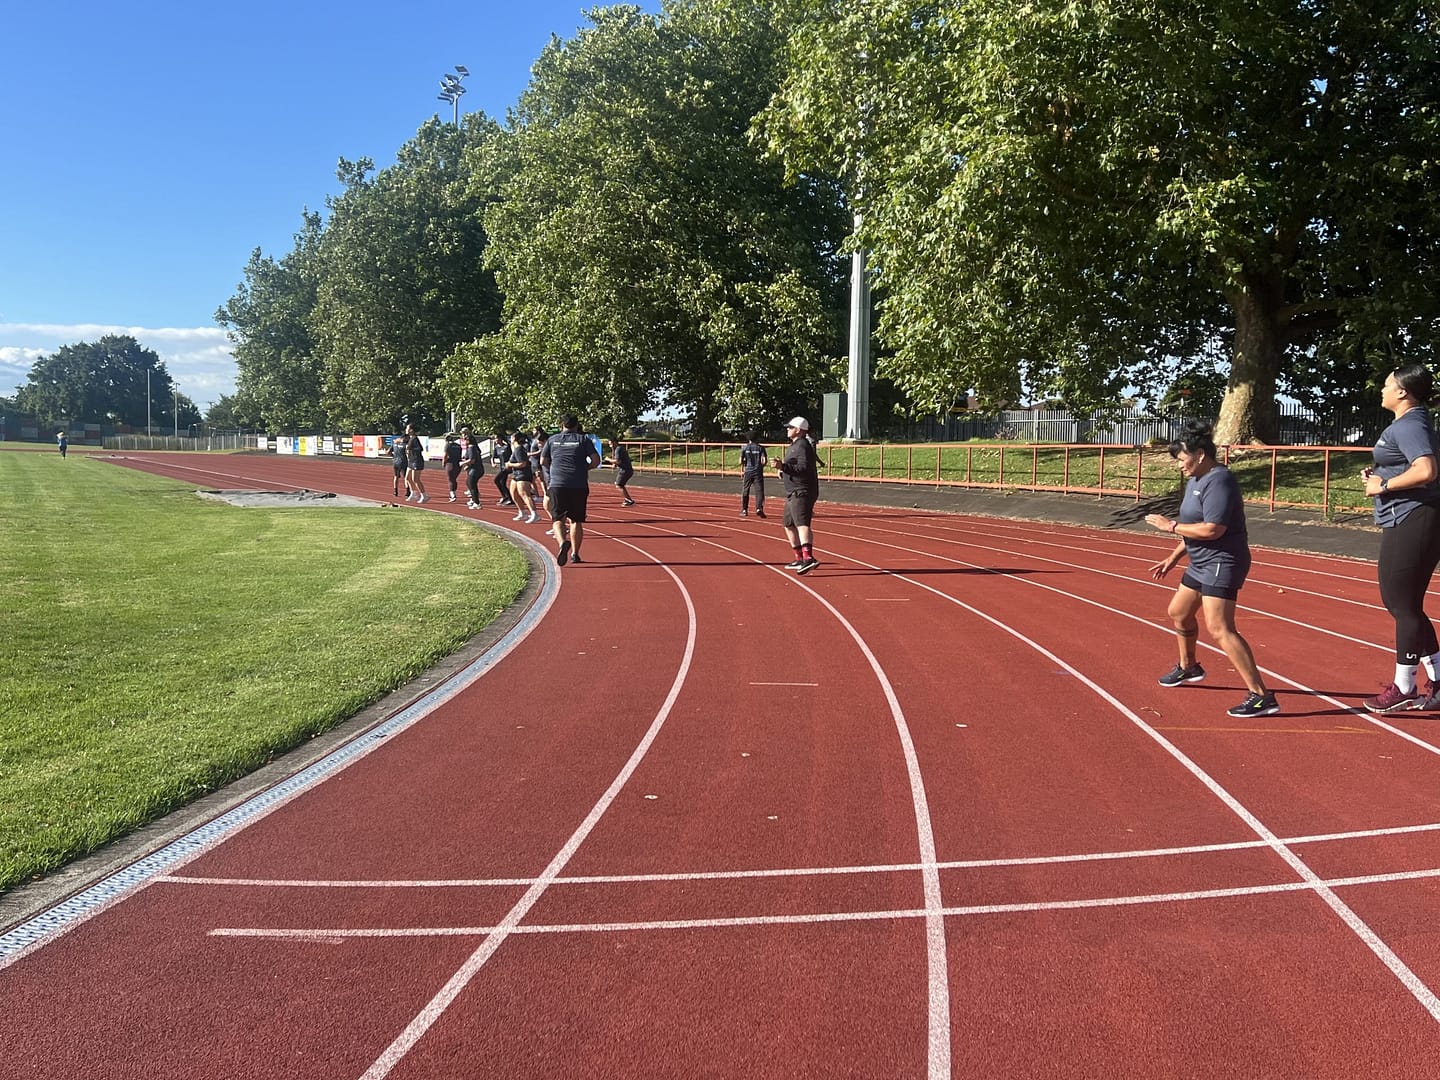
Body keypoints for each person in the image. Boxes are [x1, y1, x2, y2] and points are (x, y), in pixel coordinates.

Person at [1143, 419, 1278, 718]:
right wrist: (1175, 556)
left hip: (1222, 561)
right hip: (1201, 560)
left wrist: (1171, 526)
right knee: (1179, 612)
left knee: (1220, 628)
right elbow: (1194, 527)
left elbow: (1213, 530)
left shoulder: (1220, 481)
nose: (1180, 465)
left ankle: (1261, 695)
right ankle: (1188, 667)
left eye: (1182, 458)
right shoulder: (1195, 479)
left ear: (1201, 454)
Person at [1359, 364, 1440, 713]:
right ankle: (1438, 680)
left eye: (1387, 384)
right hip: (1408, 517)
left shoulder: (1412, 424)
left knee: (1401, 604)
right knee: (1402, 603)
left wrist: (1385, 484)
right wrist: (1381, 473)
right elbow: (1410, 464)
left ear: (1403, 392)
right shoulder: (1409, 423)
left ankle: (1405, 686)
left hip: (1414, 518)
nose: (1382, 389)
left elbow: (1426, 470)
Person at [542, 413, 600, 565]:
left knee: (557, 519)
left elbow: (543, 460)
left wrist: (555, 469)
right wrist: (585, 468)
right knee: (576, 521)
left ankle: (562, 543)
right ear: (576, 425)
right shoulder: (583, 440)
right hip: (578, 485)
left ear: (561, 425)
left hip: (557, 484)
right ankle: (575, 554)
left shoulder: (552, 440)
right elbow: (596, 460)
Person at [771, 416, 820, 574]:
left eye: (790, 427)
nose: (787, 429)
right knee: (788, 524)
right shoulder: (795, 445)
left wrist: (783, 466)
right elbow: (794, 466)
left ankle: (808, 558)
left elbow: (804, 468)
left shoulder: (802, 446)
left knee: (802, 524)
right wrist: (782, 470)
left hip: (802, 491)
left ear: (798, 430)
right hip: (793, 491)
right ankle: (799, 557)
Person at [506, 431, 539, 523]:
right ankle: (522, 512)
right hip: (516, 474)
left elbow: (522, 464)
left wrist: (510, 464)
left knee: (524, 494)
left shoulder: (519, 449)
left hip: (523, 474)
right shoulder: (516, 449)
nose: (510, 439)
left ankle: (534, 514)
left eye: (511, 437)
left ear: (515, 439)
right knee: (514, 494)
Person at [739, 430, 767, 517]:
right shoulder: (760, 448)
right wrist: (761, 466)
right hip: (758, 471)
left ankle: (744, 510)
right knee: (759, 491)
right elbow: (764, 461)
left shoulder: (744, 448)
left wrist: (744, 463)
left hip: (748, 471)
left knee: (745, 490)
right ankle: (759, 508)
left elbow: (740, 461)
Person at [605, 435, 635, 506]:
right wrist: (614, 464)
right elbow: (619, 460)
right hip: (627, 469)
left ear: (614, 442)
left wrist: (608, 460)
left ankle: (629, 500)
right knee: (620, 484)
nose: (610, 446)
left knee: (619, 485)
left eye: (610, 444)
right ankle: (627, 499)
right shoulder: (620, 449)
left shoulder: (618, 449)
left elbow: (618, 461)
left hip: (625, 470)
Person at [459, 426, 484, 509]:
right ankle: (474, 499)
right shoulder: (471, 448)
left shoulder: (471, 448)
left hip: (476, 469)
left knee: (471, 484)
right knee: (470, 483)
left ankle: (477, 502)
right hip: (475, 469)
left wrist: (462, 463)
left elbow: (472, 460)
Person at [404, 423, 430, 504]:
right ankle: (414, 493)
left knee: (416, 479)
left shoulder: (415, 439)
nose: (406, 429)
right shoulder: (410, 438)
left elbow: (420, 449)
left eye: (407, 428)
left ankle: (424, 495)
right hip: (411, 461)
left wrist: (410, 448)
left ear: (411, 430)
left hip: (416, 461)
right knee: (407, 478)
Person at [492, 430, 515, 507]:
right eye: (495, 439)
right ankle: (506, 497)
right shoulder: (496, 448)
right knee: (501, 483)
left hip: (506, 468)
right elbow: (493, 457)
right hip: (501, 467)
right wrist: (493, 463)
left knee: (497, 480)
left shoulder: (506, 447)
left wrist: (509, 464)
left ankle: (508, 498)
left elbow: (511, 455)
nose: (495, 440)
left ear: (501, 439)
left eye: (497, 438)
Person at [442, 432, 463, 502]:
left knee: (451, 479)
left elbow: (445, 455)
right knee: (454, 479)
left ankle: (452, 494)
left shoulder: (447, 445)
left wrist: (443, 463)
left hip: (450, 463)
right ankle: (453, 491)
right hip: (458, 464)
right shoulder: (458, 446)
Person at [389, 433, 409, 498]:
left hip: (395, 462)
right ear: (404, 438)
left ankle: (395, 491)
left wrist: (393, 456)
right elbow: (408, 453)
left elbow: (388, 452)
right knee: (406, 477)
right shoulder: (405, 445)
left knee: (396, 477)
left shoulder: (394, 444)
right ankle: (407, 492)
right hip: (403, 462)